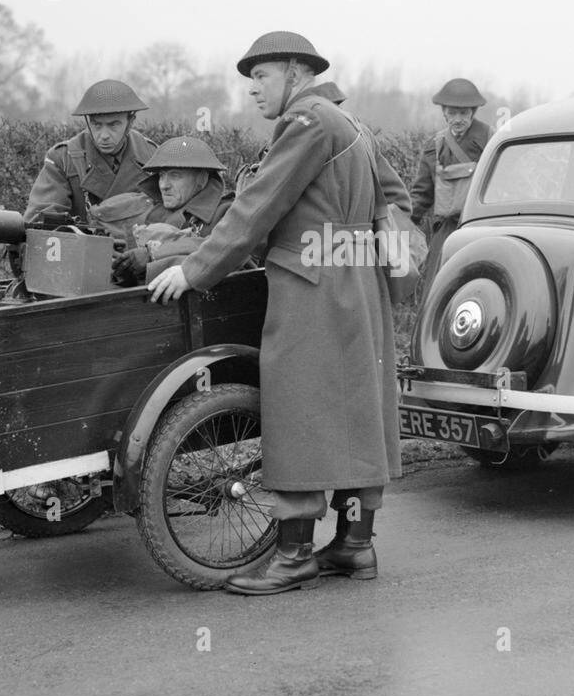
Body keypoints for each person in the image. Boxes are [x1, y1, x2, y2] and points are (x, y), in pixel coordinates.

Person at [148, 30, 410, 595]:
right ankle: (355, 545)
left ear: (295, 71)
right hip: (357, 284)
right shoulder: (352, 126)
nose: (252, 91)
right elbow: (395, 201)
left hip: (311, 288)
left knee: (298, 406)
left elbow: (254, 210)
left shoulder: (307, 123)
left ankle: (293, 557)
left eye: (261, 77)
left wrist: (195, 270)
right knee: (357, 409)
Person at [23, 79, 161, 225]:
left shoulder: (153, 157)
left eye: (113, 124)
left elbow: (170, 216)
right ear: (88, 122)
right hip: (81, 245)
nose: (104, 135)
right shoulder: (63, 159)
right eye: (97, 125)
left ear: (130, 122)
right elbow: (41, 221)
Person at [110, 135, 236, 285]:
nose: (163, 185)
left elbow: (220, 247)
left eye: (175, 176)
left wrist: (153, 254)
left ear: (202, 179)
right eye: (162, 176)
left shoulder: (227, 212)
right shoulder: (155, 211)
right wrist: (123, 257)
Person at [410, 77, 492, 292]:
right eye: (452, 113)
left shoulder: (491, 141)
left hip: (480, 229)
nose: (457, 119)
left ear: (473, 112)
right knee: (437, 289)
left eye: (463, 113)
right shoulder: (435, 146)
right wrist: (404, 224)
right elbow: (421, 194)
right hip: (445, 231)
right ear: (444, 112)